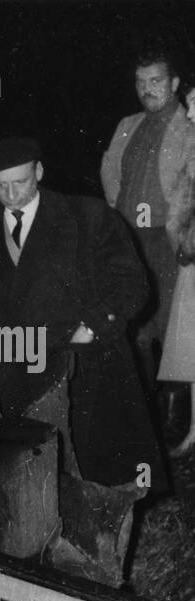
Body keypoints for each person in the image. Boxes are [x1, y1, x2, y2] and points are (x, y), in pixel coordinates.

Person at [0, 137, 162, 583]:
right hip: (17, 383)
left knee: (99, 485)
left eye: (21, 182)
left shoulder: (88, 218)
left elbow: (132, 284)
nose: (13, 194)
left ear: (40, 172)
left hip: (87, 372)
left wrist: (94, 324)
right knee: (28, 494)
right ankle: (41, 578)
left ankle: (101, 581)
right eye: (1, 186)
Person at [101, 48, 195, 382]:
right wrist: (118, 213)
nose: (147, 89)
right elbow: (110, 170)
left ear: (174, 83)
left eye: (155, 80)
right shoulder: (128, 124)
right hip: (129, 239)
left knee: (174, 326)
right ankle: (142, 402)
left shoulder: (190, 127)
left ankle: (176, 410)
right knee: (133, 324)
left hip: (169, 241)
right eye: (140, 82)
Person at [159, 87, 195, 452]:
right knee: (191, 348)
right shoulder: (191, 150)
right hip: (192, 260)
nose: (190, 111)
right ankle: (194, 430)